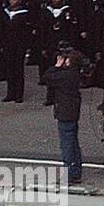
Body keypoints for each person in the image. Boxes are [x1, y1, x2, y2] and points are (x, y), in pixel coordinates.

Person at [42, 49, 84, 183]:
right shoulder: (75, 74)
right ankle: (76, 171)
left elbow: (47, 77)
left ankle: (68, 173)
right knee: (74, 142)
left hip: (65, 112)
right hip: (73, 111)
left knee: (67, 144)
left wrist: (56, 65)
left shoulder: (64, 75)